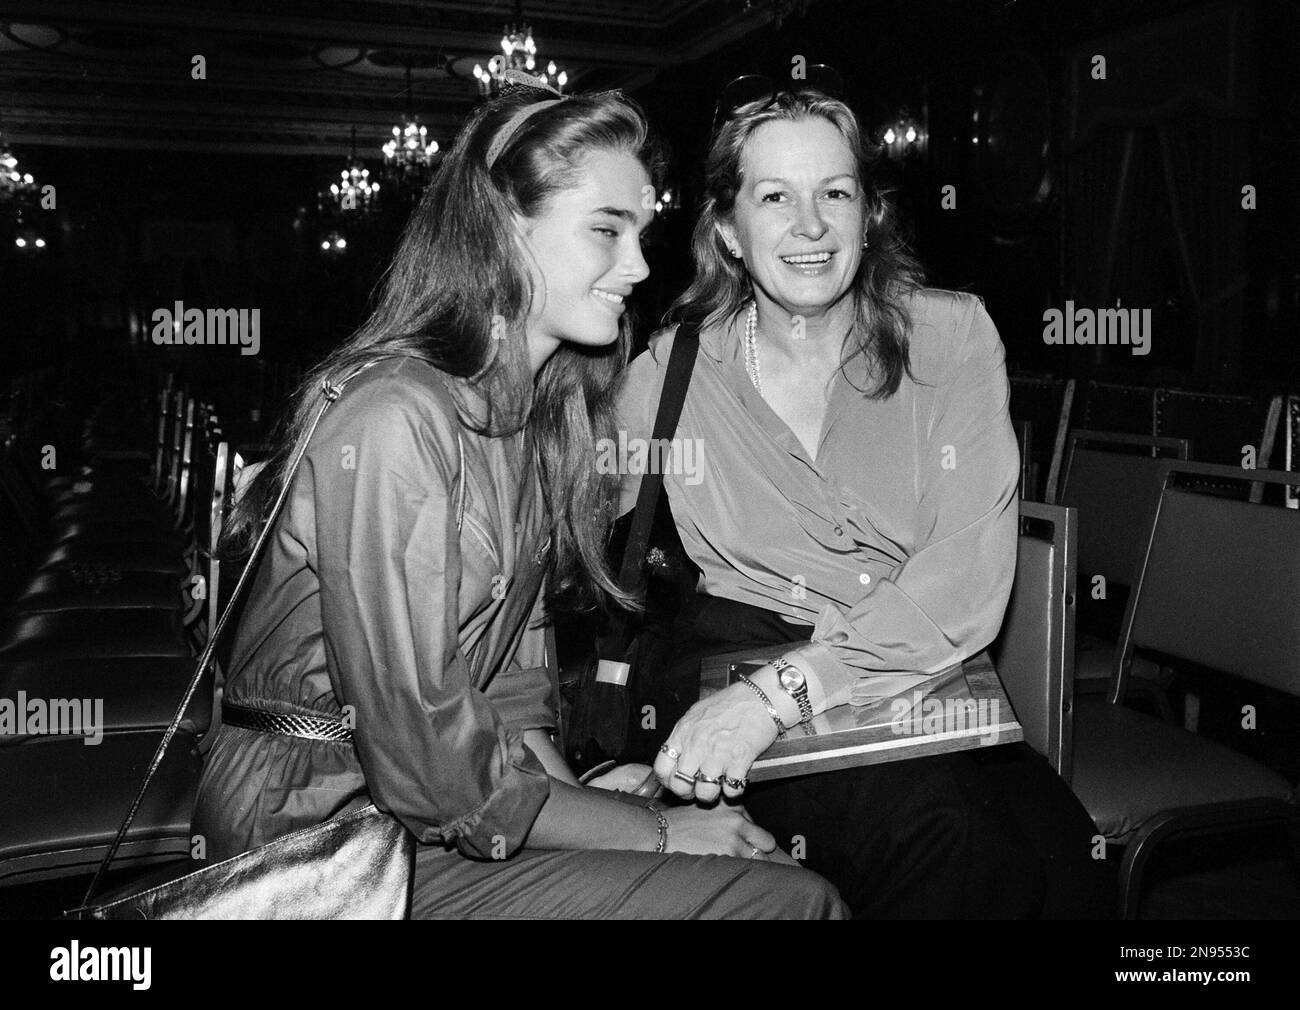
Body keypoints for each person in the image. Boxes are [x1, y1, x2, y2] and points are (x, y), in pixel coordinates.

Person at [192, 81, 845, 920]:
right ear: (503, 233)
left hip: (409, 816)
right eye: (606, 230)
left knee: (778, 878)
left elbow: (513, 698)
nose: (642, 265)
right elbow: (430, 766)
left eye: (641, 233)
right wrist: (648, 832)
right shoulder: (396, 417)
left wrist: (615, 819)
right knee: (787, 904)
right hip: (313, 840)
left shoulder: (538, 423)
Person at [617, 80, 1115, 918]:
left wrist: (780, 695)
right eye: (774, 196)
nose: (810, 226)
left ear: (866, 215)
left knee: (1062, 856)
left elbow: (964, 579)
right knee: (951, 839)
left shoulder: (950, 338)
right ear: (730, 231)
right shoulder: (672, 373)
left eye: (835, 193)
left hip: (914, 670)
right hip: (736, 667)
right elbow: (545, 530)